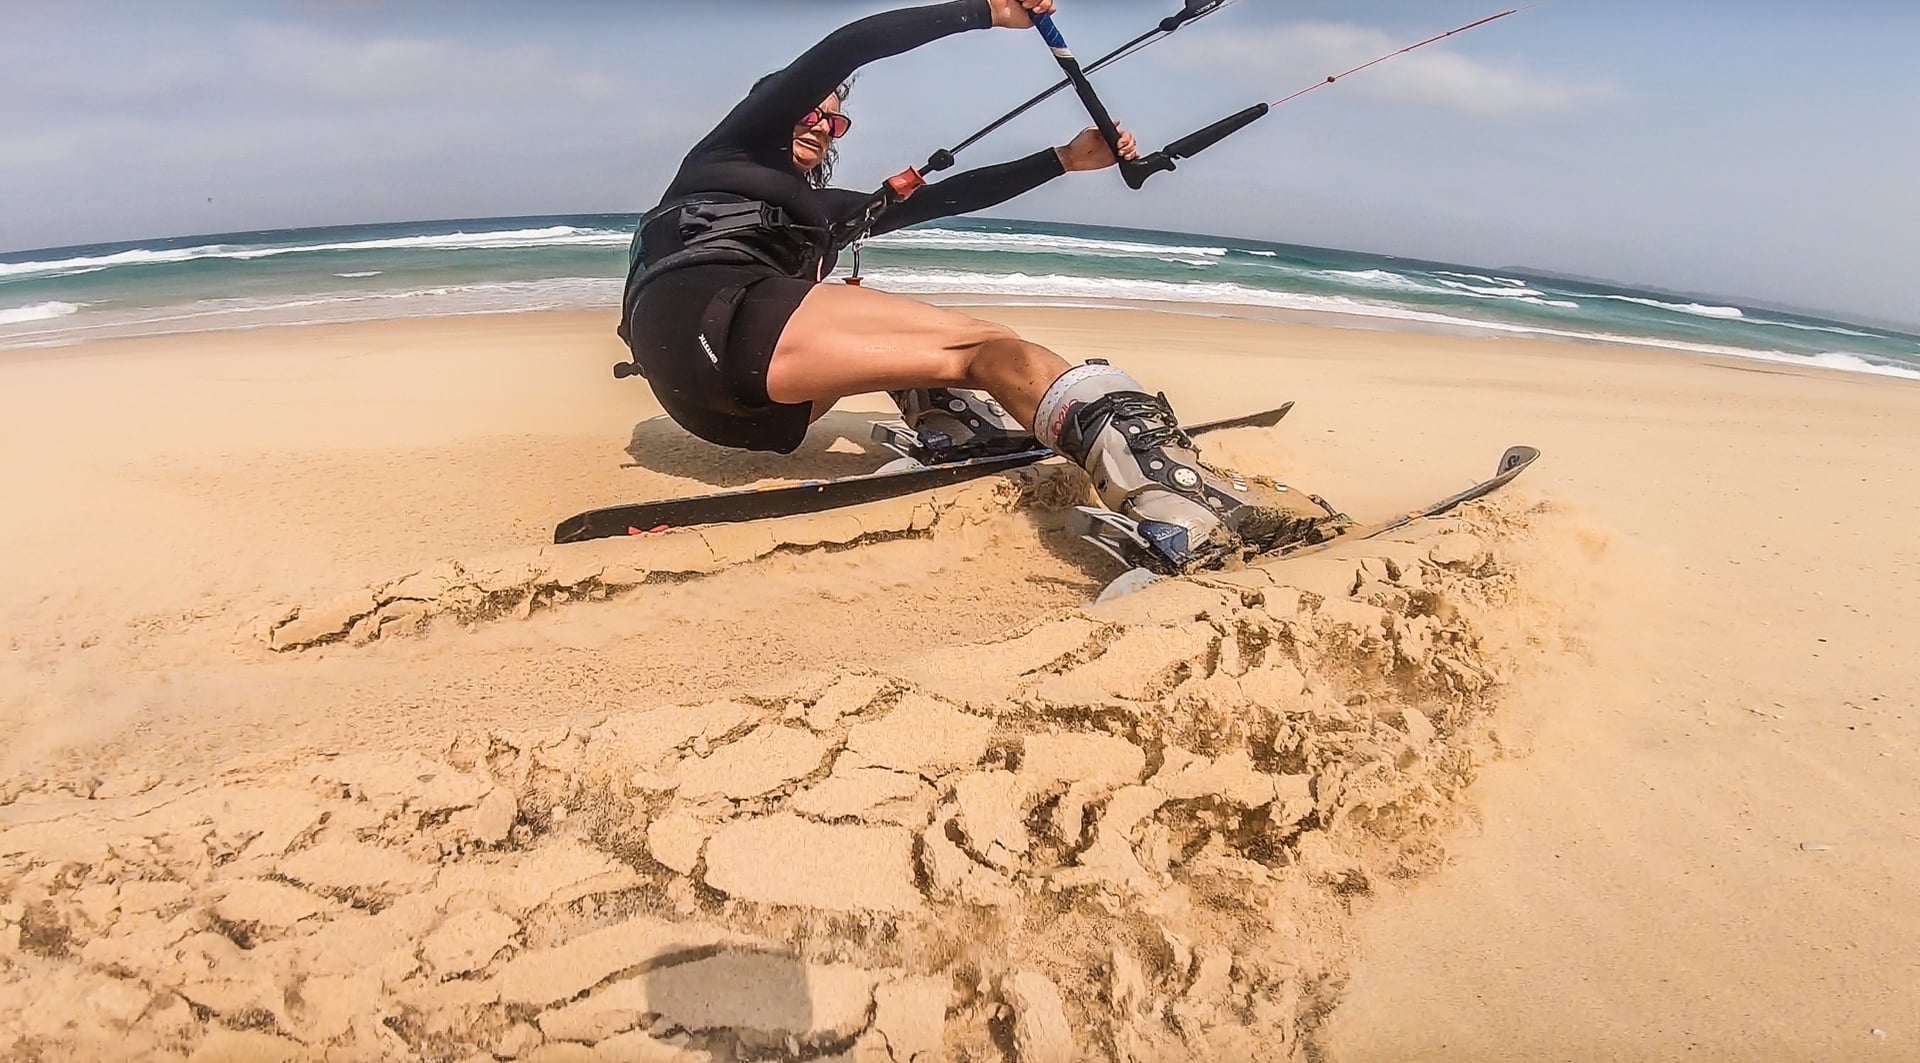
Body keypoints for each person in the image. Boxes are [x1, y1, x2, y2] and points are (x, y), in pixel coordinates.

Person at [620, 0, 1325, 571]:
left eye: (834, 119)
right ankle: (1176, 499)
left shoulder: (825, 215)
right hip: (719, 321)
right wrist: (988, 11)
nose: (821, 122)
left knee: (903, 336)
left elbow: (947, 198)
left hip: (727, 408)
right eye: (808, 108)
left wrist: (1063, 160)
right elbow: (848, 45)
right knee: (988, 344)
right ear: (774, 107)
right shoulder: (730, 150)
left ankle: (950, 423)